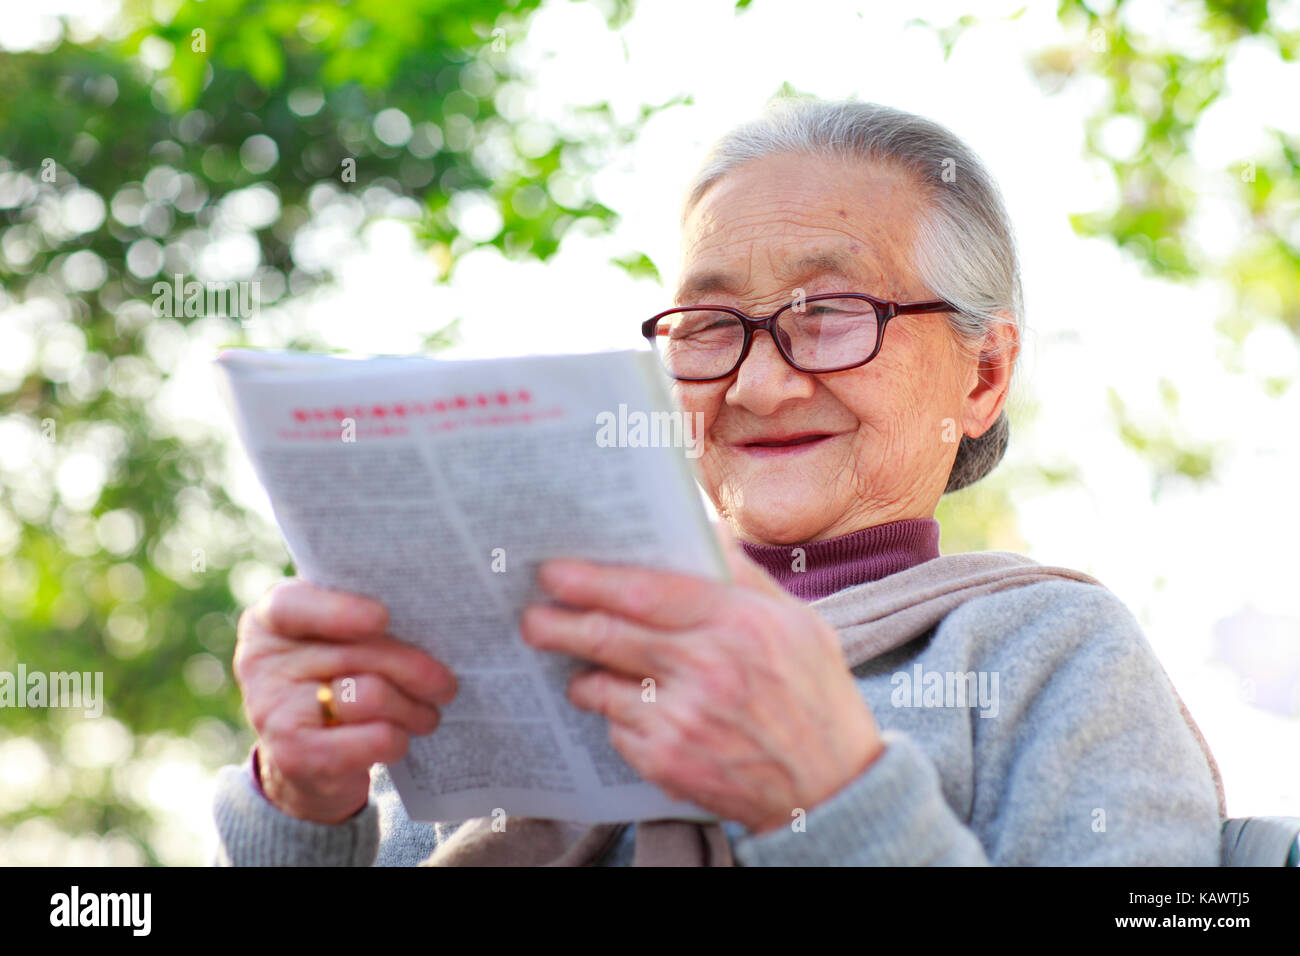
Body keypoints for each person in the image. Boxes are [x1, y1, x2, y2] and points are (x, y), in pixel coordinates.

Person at [213, 98, 1223, 866]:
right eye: (709, 326)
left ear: (984, 373)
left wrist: (835, 796)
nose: (761, 380)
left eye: (830, 312)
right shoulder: (536, 639)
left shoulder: (1049, 652)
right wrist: (305, 807)